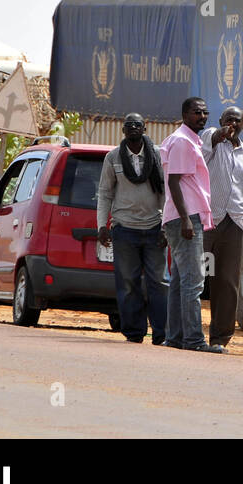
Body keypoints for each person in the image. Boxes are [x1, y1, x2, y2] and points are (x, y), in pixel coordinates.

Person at [96, 113, 168, 345]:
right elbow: (105, 192)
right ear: (123, 131)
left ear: (145, 129)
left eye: (138, 125)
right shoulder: (113, 157)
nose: (133, 128)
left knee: (158, 282)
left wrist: (166, 225)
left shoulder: (157, 155)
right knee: (128, 283)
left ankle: (161, 333)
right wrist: (101, 226)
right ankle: (134, 332)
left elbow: (167, 192)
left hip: (154, 228)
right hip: (124, 229)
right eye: (129, 125)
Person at [159, 97, 224, 354]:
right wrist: (186, 218)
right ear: (185, 114)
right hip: (185, 217)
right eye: (197, 112)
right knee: (193, 281)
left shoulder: (186, 140)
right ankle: (194, 339)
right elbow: (174, 182)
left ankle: (175, 337)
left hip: (183, 217)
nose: (203, 117)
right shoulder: (184, 142)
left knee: (180, 280)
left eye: (206, 112)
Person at [201, 106, 243, 349]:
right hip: (208, 220)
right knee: (197, 276)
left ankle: (219, 338)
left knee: (227, 282)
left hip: (234, 222)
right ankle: (186, 333)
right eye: (228, 119)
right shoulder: (211, 138)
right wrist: (219, 134)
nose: (233, 123)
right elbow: (209, 140)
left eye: (238, 120)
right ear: (221, 121)